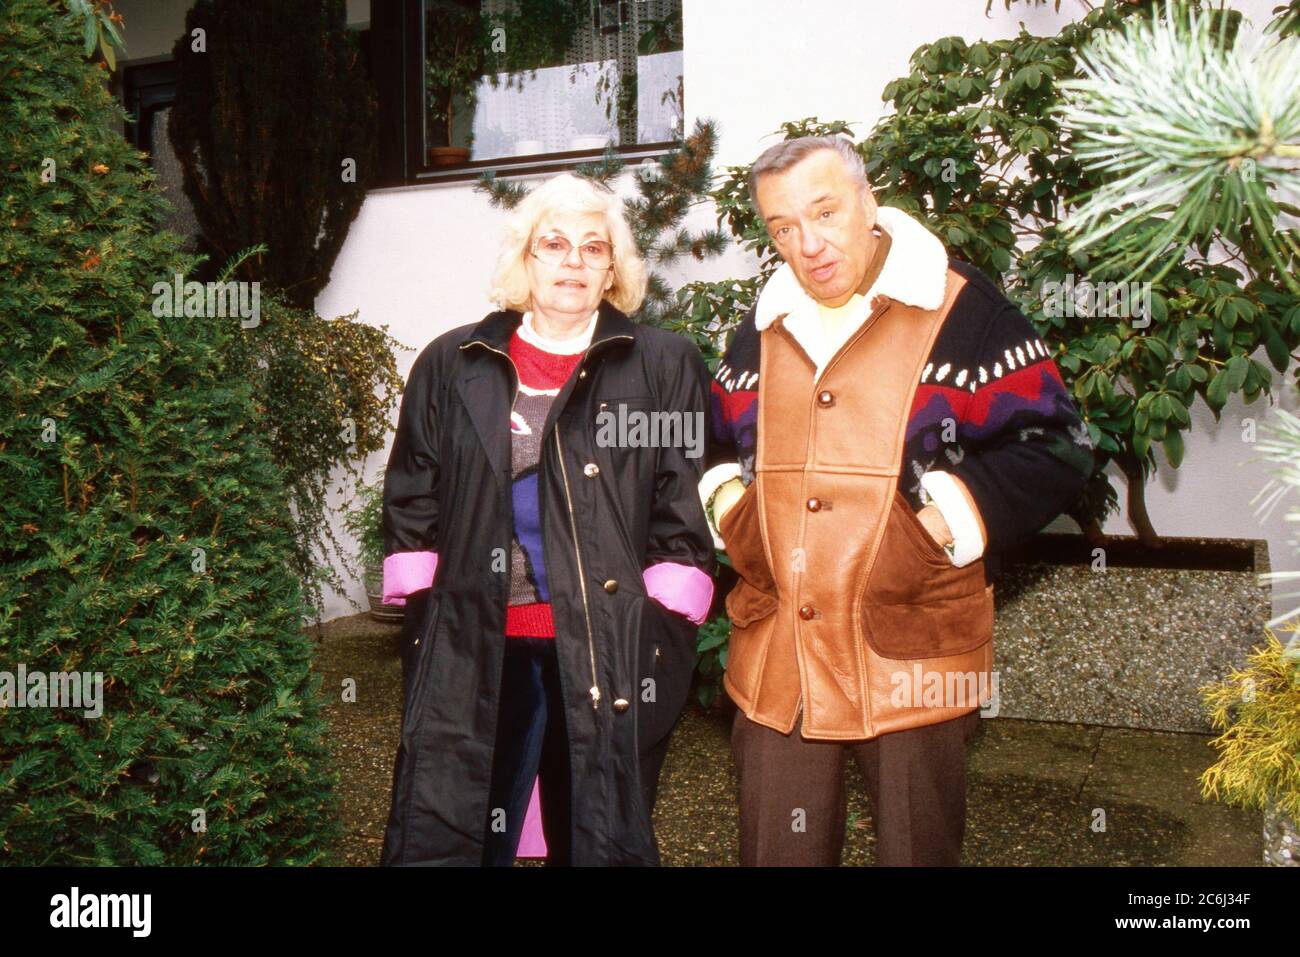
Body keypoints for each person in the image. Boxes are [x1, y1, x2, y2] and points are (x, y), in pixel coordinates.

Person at [700, 135, 1094, 866]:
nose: (807, 244)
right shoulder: (761, 328)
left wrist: (936, 527)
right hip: (778, 651)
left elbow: (1058, 444)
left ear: (868, 200)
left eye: (825, 211)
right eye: (782, 227)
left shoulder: (967, 312)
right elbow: (713, 441)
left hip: (914, 651)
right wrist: (734, 513)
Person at [380, 173, 715, 866]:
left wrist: (659, 627)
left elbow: (682, 505)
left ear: (614, 269)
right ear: (525, 259)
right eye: (555, 244)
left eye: (595, 249)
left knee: (595, 832)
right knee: (460, 831)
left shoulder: (661, 363)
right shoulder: (454, 360)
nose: (574, 262)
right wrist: (427, 613)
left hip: (601, 648)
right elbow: (413, 495)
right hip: (477, 645)